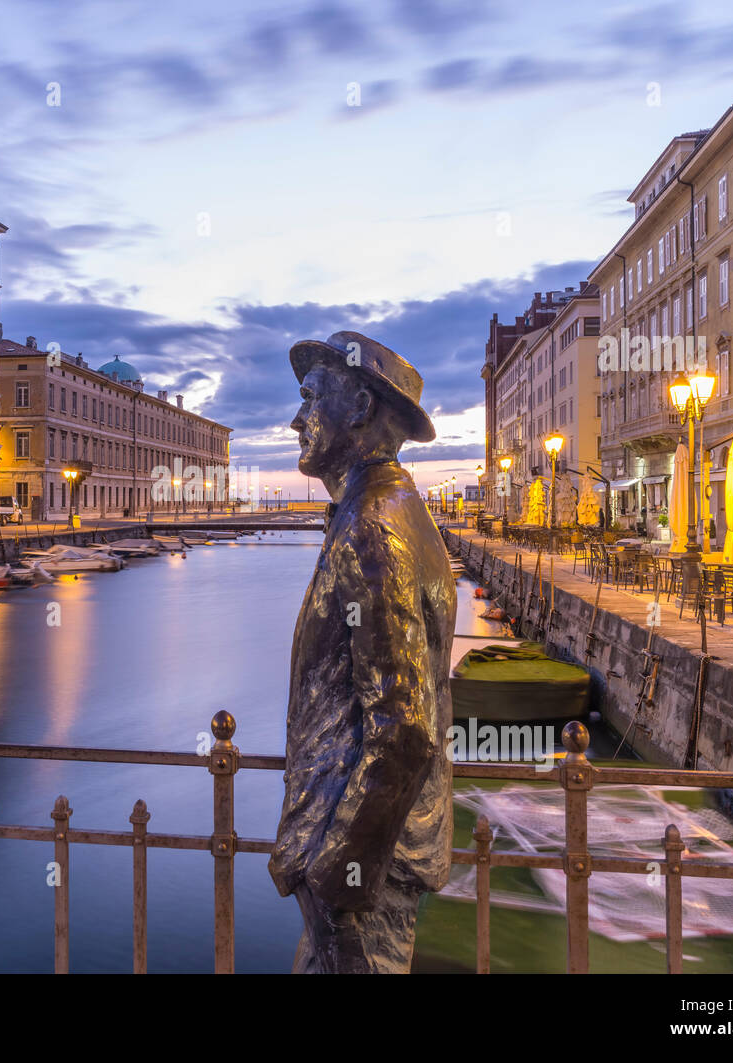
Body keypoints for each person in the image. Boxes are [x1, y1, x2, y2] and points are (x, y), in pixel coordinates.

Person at [269, 330, 457, 974]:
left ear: (358, 409)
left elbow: (404, 725)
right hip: (363, 841)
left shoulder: (373, 526)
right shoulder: (395, 506)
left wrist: (339, 871)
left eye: (310, 398)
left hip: (356, 852)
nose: (297, 419)